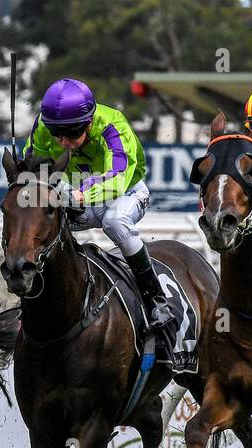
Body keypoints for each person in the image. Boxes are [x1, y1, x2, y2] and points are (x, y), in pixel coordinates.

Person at [22, 78, 168, 330]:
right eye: (58, 134)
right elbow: (35, 165)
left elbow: (118, 179)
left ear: (89, 123)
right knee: (44, 220)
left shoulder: (114, 126)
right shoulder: (43, 126)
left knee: (115, 222)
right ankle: (39, 295)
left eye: (72, 134)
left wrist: (78, 196)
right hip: (75, 193)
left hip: (125, 193)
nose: (64, 142)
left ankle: (155, 299)